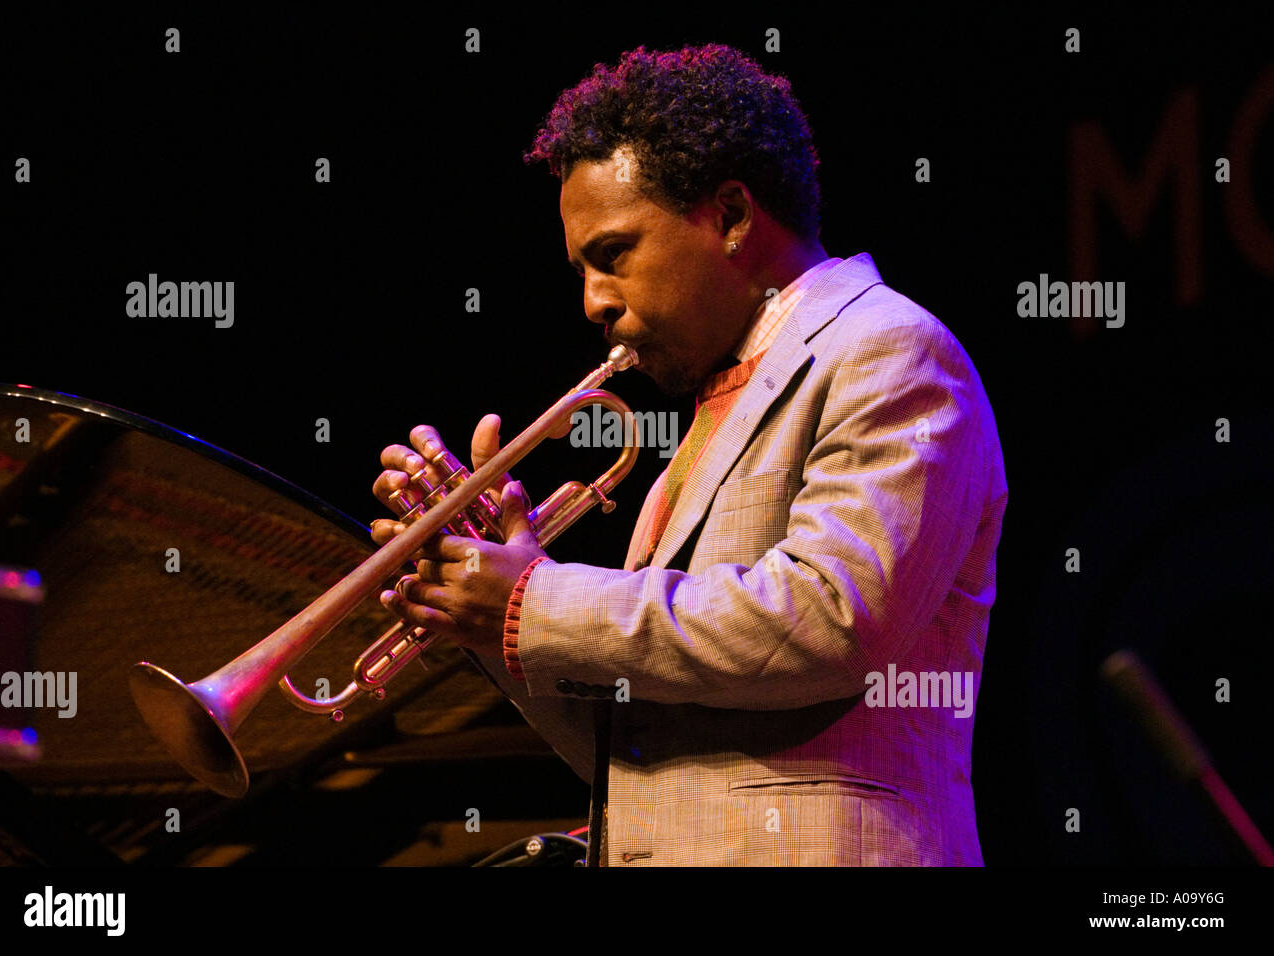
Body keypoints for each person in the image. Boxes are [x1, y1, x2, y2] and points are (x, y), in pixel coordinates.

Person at [370, 44, 1007, 865]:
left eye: (614, 254)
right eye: (581, 270)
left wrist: (535, 600)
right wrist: (489, 619)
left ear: (733, 215)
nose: (594, 301)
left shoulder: (889, 348)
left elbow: (831, 619)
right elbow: (636, 751)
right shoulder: (706, 422)